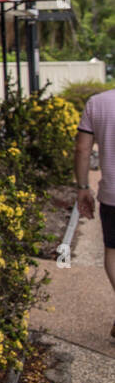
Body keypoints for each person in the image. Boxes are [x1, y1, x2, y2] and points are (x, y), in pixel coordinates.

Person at [75, 86, 115, 339]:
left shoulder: (98, 103)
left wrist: (82, 187)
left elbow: (82, 149)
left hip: (113, 194)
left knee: (113, 250)